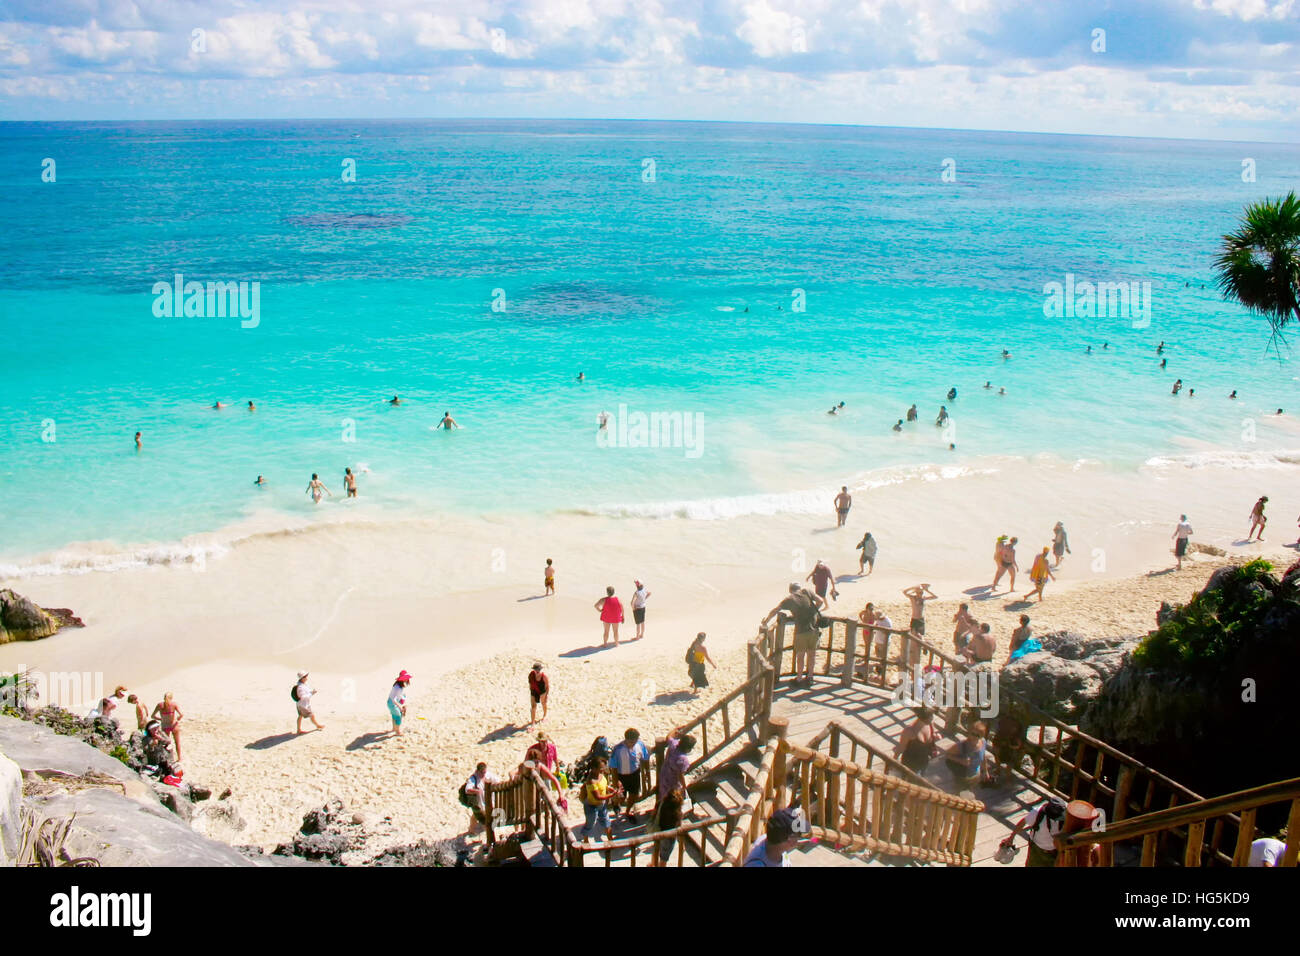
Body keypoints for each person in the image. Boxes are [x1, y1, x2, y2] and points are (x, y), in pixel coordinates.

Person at [761, 583, 824, 687]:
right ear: (799, 588)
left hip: (801, 630)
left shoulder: (789, 599)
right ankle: (810, 677)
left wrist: (766, 621)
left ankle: (799, 678)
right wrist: (813, 611)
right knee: (812, 654)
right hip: (814, 628)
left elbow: (776, 610)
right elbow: (820, 601)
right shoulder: (807, 591)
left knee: (800, 655)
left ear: (790, 590)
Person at [1000, 797, 1068, 867]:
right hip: (1036, 849)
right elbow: (1023, 822)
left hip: (1055, 851)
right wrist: (1011, 837)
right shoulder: (1038, 813)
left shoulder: (1066, 811)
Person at [609, 729, 651, 819]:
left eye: (634, 741)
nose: (633, 744)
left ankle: (628, 811)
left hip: (635, 774)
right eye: (631, 742)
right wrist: (616, 781)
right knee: (621, 797)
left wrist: (647, 773)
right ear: (626, 739)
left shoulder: (640, 745)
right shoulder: (618, 749)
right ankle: (615, 804)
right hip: (621, 776)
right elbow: (613, 768)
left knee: (633, 795)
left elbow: (646, 758)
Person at [648, 785, 685, 866]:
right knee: (663, 858)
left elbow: (653, 814)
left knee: (656, 850)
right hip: (669, 837)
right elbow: (678, 826)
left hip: (658, 831)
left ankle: (652, 864)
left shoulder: (660, 803)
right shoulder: (677, 813)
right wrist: (682, 843)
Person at [580, 758, 615, 843]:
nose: (603, 770)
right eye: (601, 768)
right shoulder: (591, 781)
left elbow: (604, 785)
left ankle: (611, 840)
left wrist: (611, 789)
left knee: (606, 821)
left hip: (601, 804)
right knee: (590, 823)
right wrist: (612, 795)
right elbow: (598, 797)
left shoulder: (601, 775)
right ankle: (585, 840)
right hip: (591, 806)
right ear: (594, 769)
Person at [657, 726, 695, 803]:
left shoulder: (673, 745)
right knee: (671, 797)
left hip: (664, 773)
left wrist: (675, 730)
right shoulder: (683, 759)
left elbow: (668, 737)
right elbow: (680, 775)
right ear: (688, 749)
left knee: (663, 793)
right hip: (673, 781)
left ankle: (661, 804)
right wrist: (684, 786)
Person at [894, 707, 937, 775]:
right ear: (923, 718)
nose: (932, 718)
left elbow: (933, 735)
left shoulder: (930, 724)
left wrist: (935, 736)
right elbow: (901, 747)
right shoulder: (909, 731)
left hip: (924, 760)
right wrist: (894, 760)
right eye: (930, 717)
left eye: (932, 716)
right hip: (911, 764)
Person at [463, 762, 500, 841]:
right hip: (479, 803)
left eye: (485, 772)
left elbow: (497, 781)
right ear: (478, 771)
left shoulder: (488, 775)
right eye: (482, 772)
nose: (484, 774)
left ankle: (472, 830)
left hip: (489, 801)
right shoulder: (473, 778)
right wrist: (476, 791)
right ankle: (476, 832)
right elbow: (467, 790)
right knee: (483, 818)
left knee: (478, 816)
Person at [946, 721, 987, 792]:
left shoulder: (983, 742)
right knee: (958, 791)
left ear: (982, 736)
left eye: (978, 735)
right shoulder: (962, 745)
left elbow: (983, 756)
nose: (975, 737)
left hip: (976, 775)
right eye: (973, 734)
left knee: (970, 789)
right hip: (962, 776)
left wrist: (986, 771)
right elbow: (948, 754)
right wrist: (961, 761)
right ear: (969, 733)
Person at [151, 692, 184, 760]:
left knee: (165, 743)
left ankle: (167, 758)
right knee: (177, 742)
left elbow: (153, 716)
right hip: (174, 725)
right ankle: (179, 757)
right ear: (171, 698)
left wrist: (161, 719)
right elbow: (181, 714)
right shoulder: (174, 704)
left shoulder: (160, 705)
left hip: (165, 726)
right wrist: (178, 718)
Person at [388, 670, 411, 735]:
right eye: (406, 678)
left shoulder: (398, 685)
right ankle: (397, 732)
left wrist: (402, 702)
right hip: (392, 703)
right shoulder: (398, 687)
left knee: (394, 715)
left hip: (390, 702)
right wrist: (400, 707)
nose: (407, 680)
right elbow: (394, 699)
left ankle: (394, 729)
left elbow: (399, 696)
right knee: (398, 716)